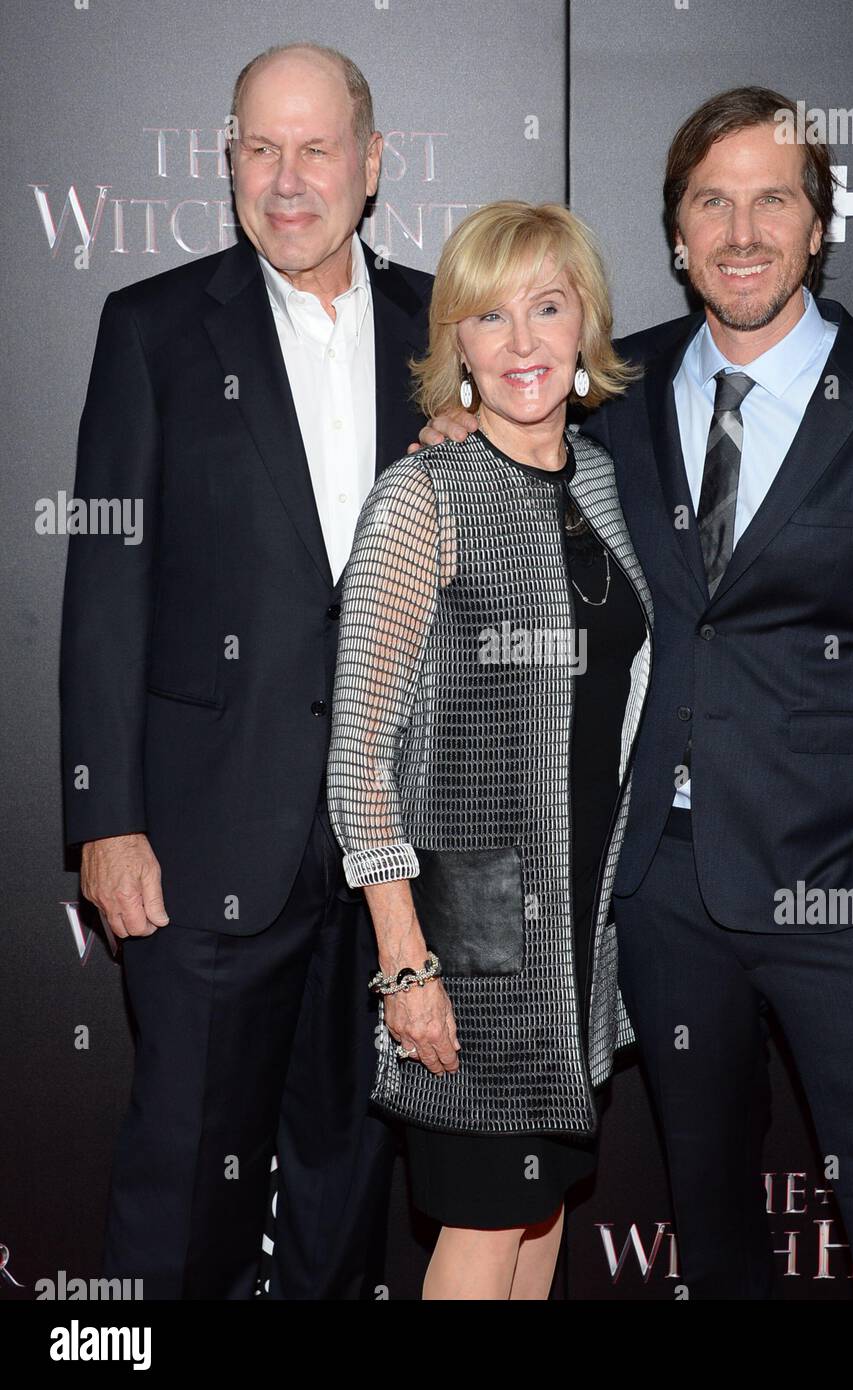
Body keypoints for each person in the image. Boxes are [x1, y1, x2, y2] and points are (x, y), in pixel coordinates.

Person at [416, 87, 853, 1299]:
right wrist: (452, 429)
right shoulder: (614, 396)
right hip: (663, 898)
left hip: (848, 895)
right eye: (710, 202)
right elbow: (505, 425)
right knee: (711, 1230)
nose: (741, 232)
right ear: (675, 234)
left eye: (771, 200)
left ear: (819, 225)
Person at [59, 42, 432, 1299]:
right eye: (259, 150)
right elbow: (104, 590)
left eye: (315, 147)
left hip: (391, 860)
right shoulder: (155, 329)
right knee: (180, 1194)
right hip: (209, 841)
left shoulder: (449, 331)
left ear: (370, 165)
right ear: (228, 164)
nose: (287, 180)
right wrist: (105, 818)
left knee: (345, 1189)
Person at [326, 200, 650, 1299]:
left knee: (541, 1209)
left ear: (584, 324)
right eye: (489, 316)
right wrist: (405, 966)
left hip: (578, 944)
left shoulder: (606, 484)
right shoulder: (421, 499)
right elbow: (359, 757)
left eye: (547, 308)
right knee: (479, 1220)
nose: (522, 343)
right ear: (453, 344)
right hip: (468, 953)